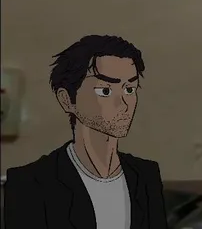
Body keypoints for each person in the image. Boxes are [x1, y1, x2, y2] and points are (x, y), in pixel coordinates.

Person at [4, 35, 167, 228]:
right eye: (105, 91)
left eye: (129, 89)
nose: (124, 103)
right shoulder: (30, 183)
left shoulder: (146, 176)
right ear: (67, 100)